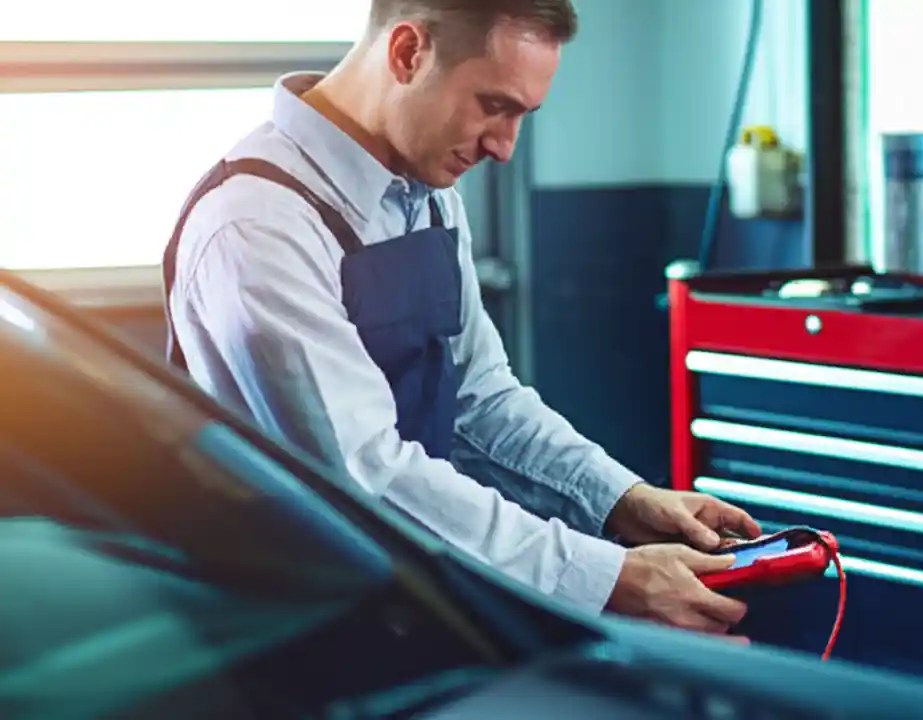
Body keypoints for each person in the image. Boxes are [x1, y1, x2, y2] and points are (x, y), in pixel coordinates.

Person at [161, 0, 763, 635]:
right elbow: (367, 472)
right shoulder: (256, 225)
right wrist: (607, 576)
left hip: (402, 595)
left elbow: (483, 399)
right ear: (407, 53)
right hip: (278, 627)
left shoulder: (426, 194)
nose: (504, 147)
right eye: (493, 105)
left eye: (522, 115)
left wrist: (620, 500)